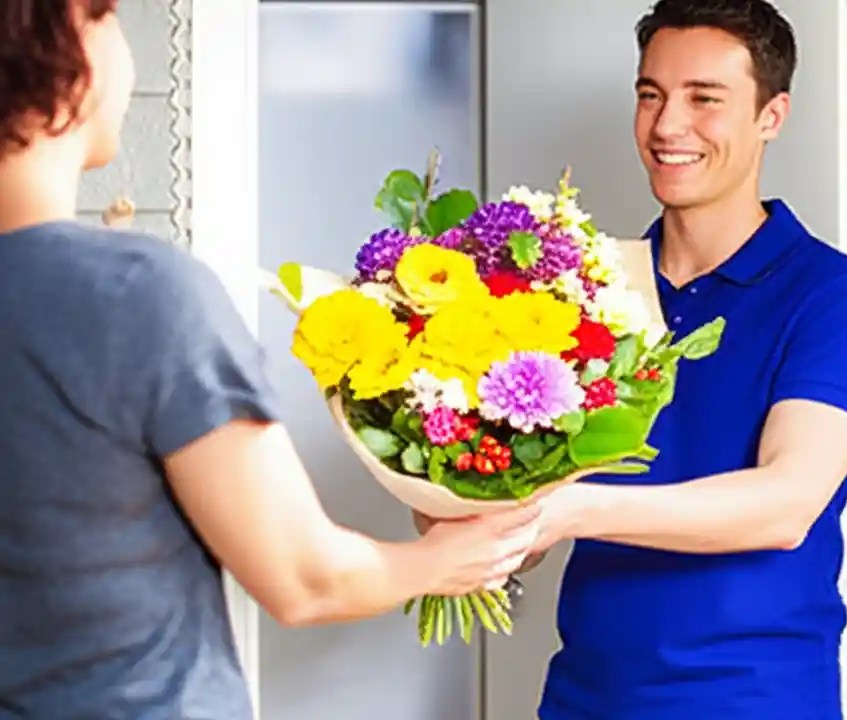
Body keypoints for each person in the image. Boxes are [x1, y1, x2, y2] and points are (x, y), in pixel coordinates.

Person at [0, 3, 539, 718]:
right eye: (113, 18)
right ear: (71, 34)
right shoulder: (136, 296)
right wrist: (444, 563)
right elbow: (304, 578)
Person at [528, 1, 847, 717]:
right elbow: (519, 513)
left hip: (753, 700)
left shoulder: (833, 295)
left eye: (705, 99)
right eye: (651, 94)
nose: (667, 126)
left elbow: (785, 504)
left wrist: (562, 510)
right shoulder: (586, 292)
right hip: (584, 699)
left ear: (771, 115)